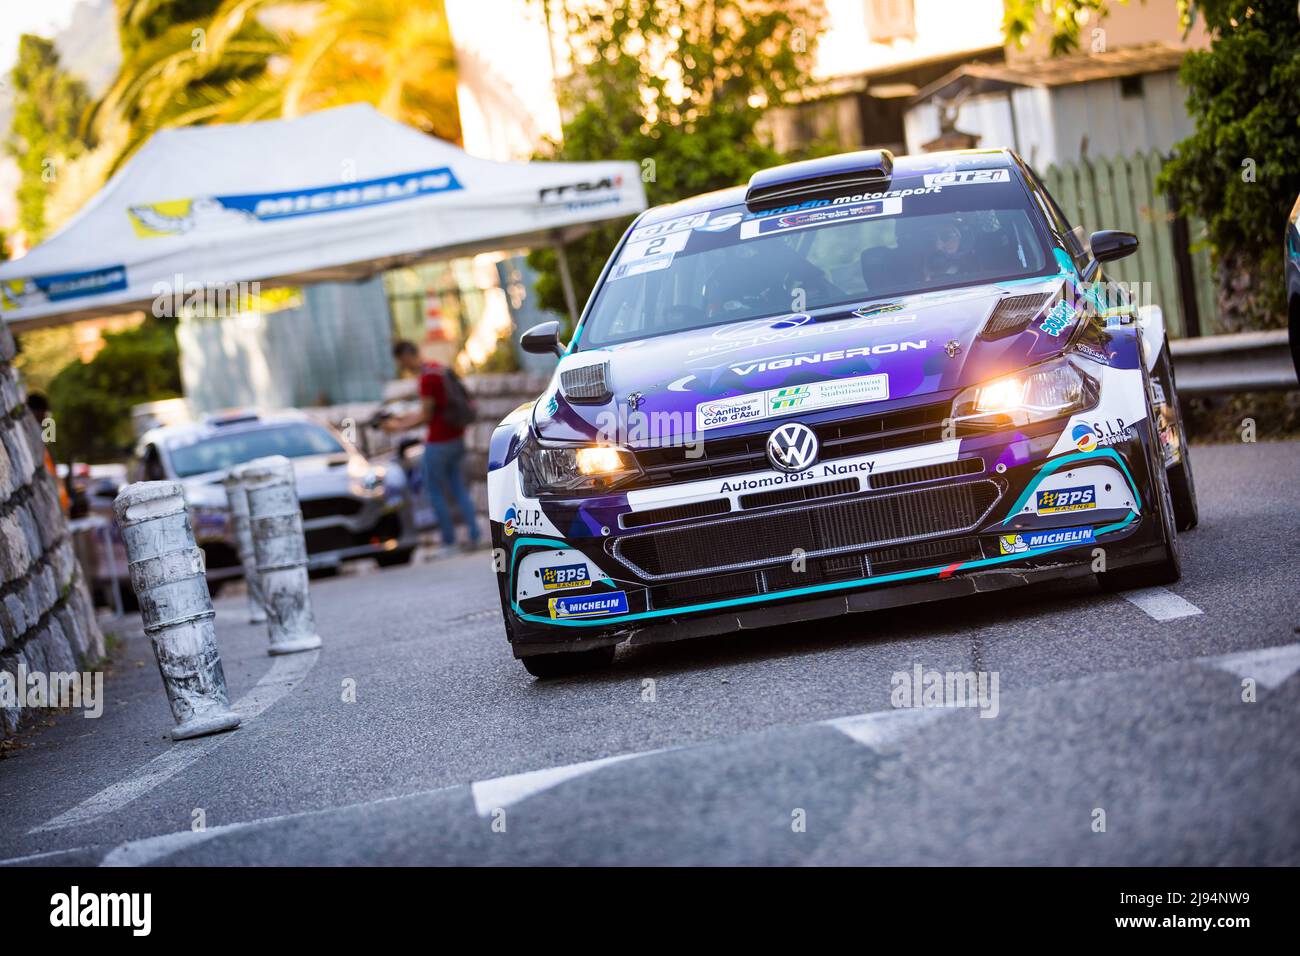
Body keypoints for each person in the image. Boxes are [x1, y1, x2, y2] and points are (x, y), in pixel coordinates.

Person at [383, 340, 482, 552]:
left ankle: (449, 541)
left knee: (433, 490)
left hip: (439, 441)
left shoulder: (427, 379)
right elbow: (430, 410)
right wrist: (401, 419)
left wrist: (397, 427)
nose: (404, 367)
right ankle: (475, 534)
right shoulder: (437, 368)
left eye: (402, 362)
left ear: (406, 357)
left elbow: (426, 416)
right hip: (456, 437)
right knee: (458, 488)